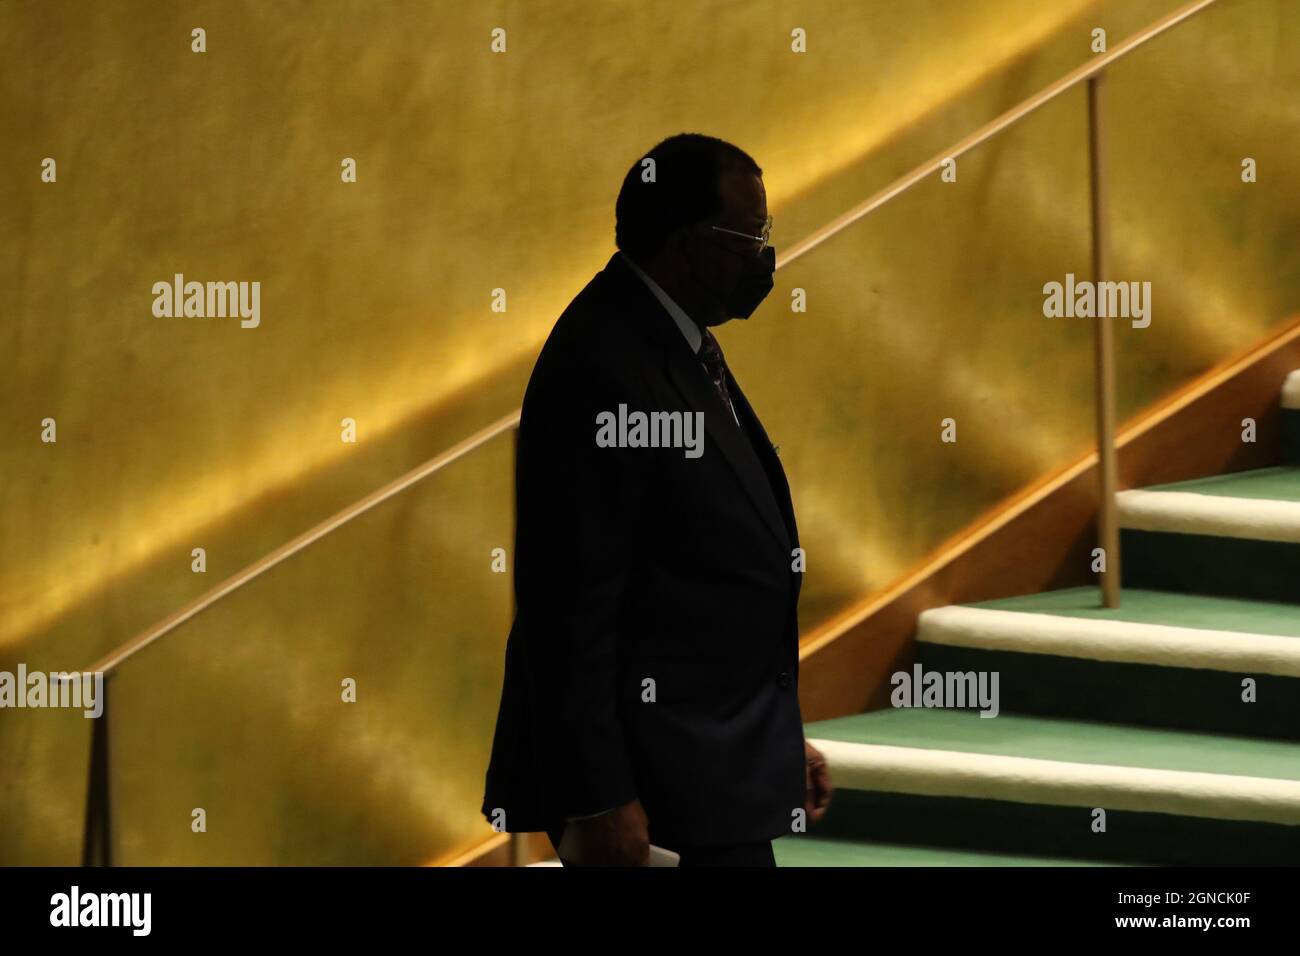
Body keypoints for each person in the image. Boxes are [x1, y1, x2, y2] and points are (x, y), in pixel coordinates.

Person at [480, 133, 832, 867]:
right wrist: (599, 796)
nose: (765, 254)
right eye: (749, 234)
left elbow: (692, 581)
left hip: (709, 765)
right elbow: (569, 608)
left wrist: (772, 735)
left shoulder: (673, 341)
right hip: (654, 788)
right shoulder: (604, 363)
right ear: (685, 244)